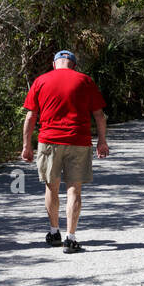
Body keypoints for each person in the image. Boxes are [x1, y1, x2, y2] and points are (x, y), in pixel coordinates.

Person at [20, 50, 108, 253]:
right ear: (73, 65)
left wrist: (26, 146)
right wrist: (102, 142)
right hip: (78, 141)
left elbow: (30, 116)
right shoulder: (85, 81)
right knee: (74, 190)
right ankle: (71, 238)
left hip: (49, 141)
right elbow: (99, 115)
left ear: (54, 64)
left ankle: (54, 232)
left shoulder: (41, 81)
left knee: (51, 188)